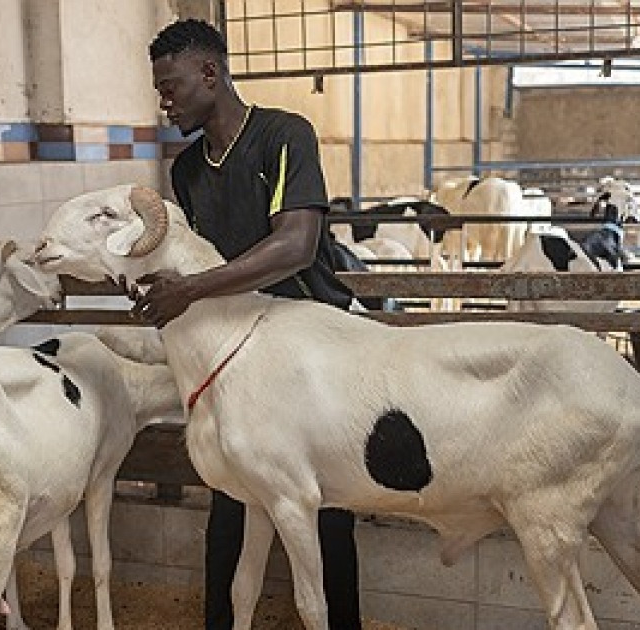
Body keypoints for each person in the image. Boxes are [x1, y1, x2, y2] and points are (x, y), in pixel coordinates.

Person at [137, 18, 364, 630]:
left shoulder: (284, 135)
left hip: (310, 348)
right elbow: (190, 257)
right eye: (160, 89)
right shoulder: (185, 171)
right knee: (230, 505)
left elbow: (295, 245)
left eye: (171, 85)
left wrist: (188, 291)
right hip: (239, 354)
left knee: (327, 513)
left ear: (210, 73)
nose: (164, 100)